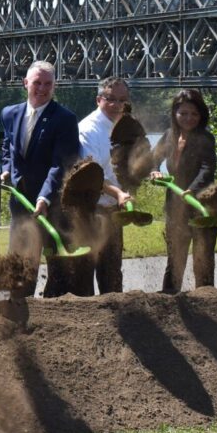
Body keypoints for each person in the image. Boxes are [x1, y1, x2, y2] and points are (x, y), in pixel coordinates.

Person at [0, 61, 80, 297]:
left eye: (48, 84)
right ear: (26, 83)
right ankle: (18, 317)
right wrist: (6, 169)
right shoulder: (9, 113)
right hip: (20, 204)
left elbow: (61, 164)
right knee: (20, 269)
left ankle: (52, 324)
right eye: (37, 83)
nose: (42, 88)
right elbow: (7, 147)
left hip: (52, 206)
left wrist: (45, 196)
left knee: (58, 271)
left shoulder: (65, 119)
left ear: (55, 86)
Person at [150, 88, 217, 293]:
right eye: (183, 113)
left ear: (201, 115)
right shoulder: (169, 135)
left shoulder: (205, 138)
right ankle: (170, 303)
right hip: (174, 206)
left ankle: (207, 302)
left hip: (202, 206)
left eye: (194, 114)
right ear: (175, 114)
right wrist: (155, 172)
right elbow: (154, 160)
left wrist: (191, 190)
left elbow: (208, 169)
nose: (188, 118)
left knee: (203, 259)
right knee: (175, 260)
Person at [75, 76, 133, 295]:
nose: (117, 105)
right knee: (86, 270)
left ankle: (117, 321)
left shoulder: (122, 126)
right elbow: (90, 174)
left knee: (112, 272)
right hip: (90, 209)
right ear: (98, 99)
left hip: (113, 208)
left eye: (122, 100)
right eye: (111, 99)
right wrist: (118, 192)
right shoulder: (88, 130)